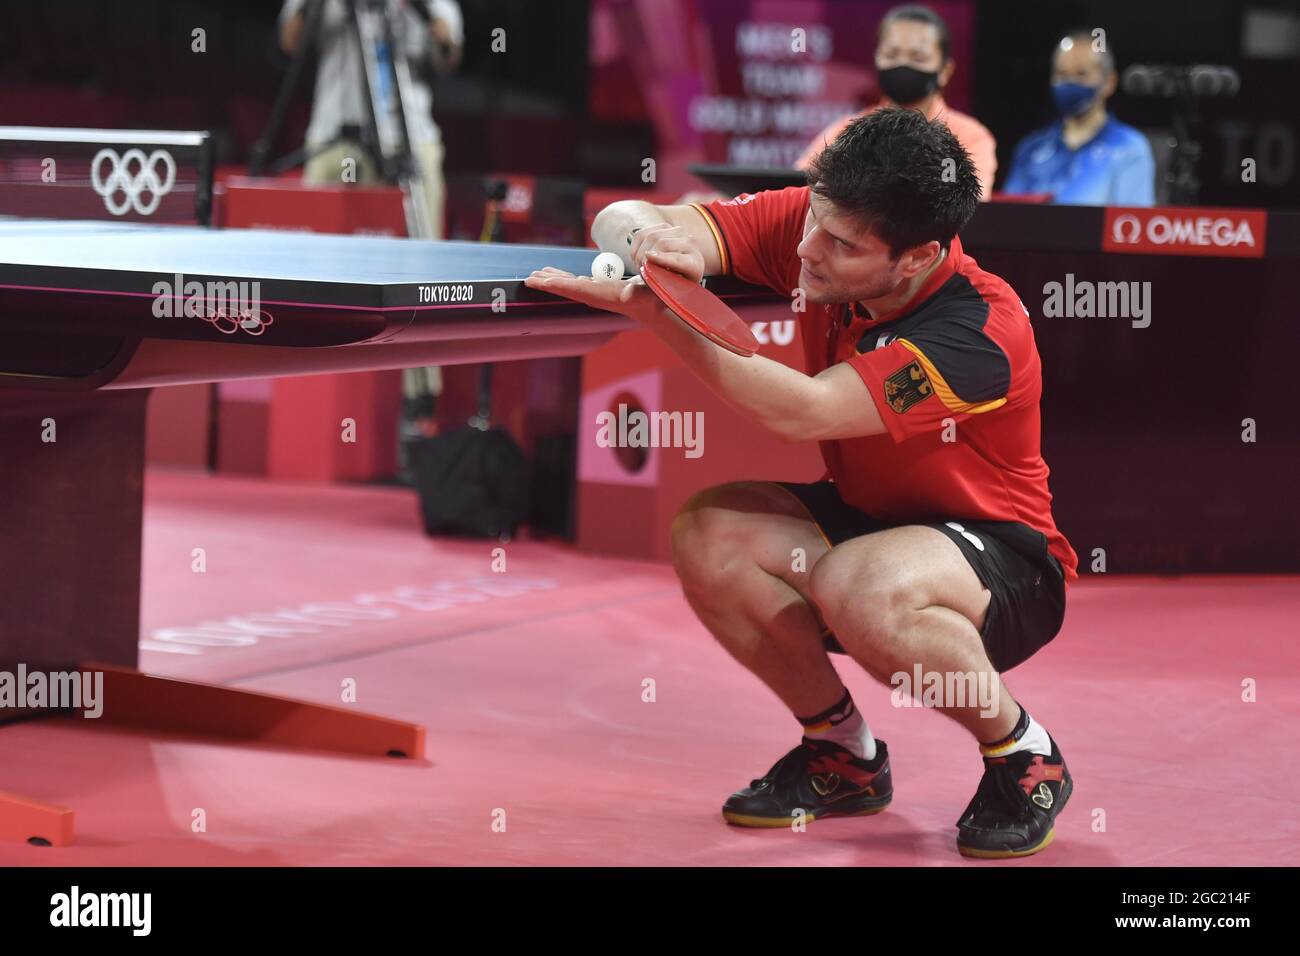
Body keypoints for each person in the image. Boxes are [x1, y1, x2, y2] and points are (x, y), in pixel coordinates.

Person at [529, 108, 1078, 859]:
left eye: (842, 245)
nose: (808, 251)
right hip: (873, 523)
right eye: (814, 221)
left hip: (1001, 566)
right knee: (710, 531)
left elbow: (806, 410)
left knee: (860, 582)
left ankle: (1024, 756)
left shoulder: (979, 332)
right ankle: (843, 755)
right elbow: (625, 215)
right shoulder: (817, 222)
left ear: (916, 258)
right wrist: (651, 244)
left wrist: (665, 320)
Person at [278, 0, 464, 235]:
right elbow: (290, 42)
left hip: (410, 139)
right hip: (333, 136)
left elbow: (448, 58)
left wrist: (427, 16)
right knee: (319, 252)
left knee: (422, 255)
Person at [796, 4, 997, 201]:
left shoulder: (971, 138)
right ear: (877, 61)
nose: (902, 64)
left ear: (945, 71)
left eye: (918, 57)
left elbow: (971, 209)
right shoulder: (847, 131)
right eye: (891, 55)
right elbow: (800, 191)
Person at [1002, 30, 1155, 205]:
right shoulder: (1030, 150)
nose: (1070, 82)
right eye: (1062, 74)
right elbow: (1009, 219)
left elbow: (1131, 222)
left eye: (1081, 74)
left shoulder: (1129, 147)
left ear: (1109, 82)